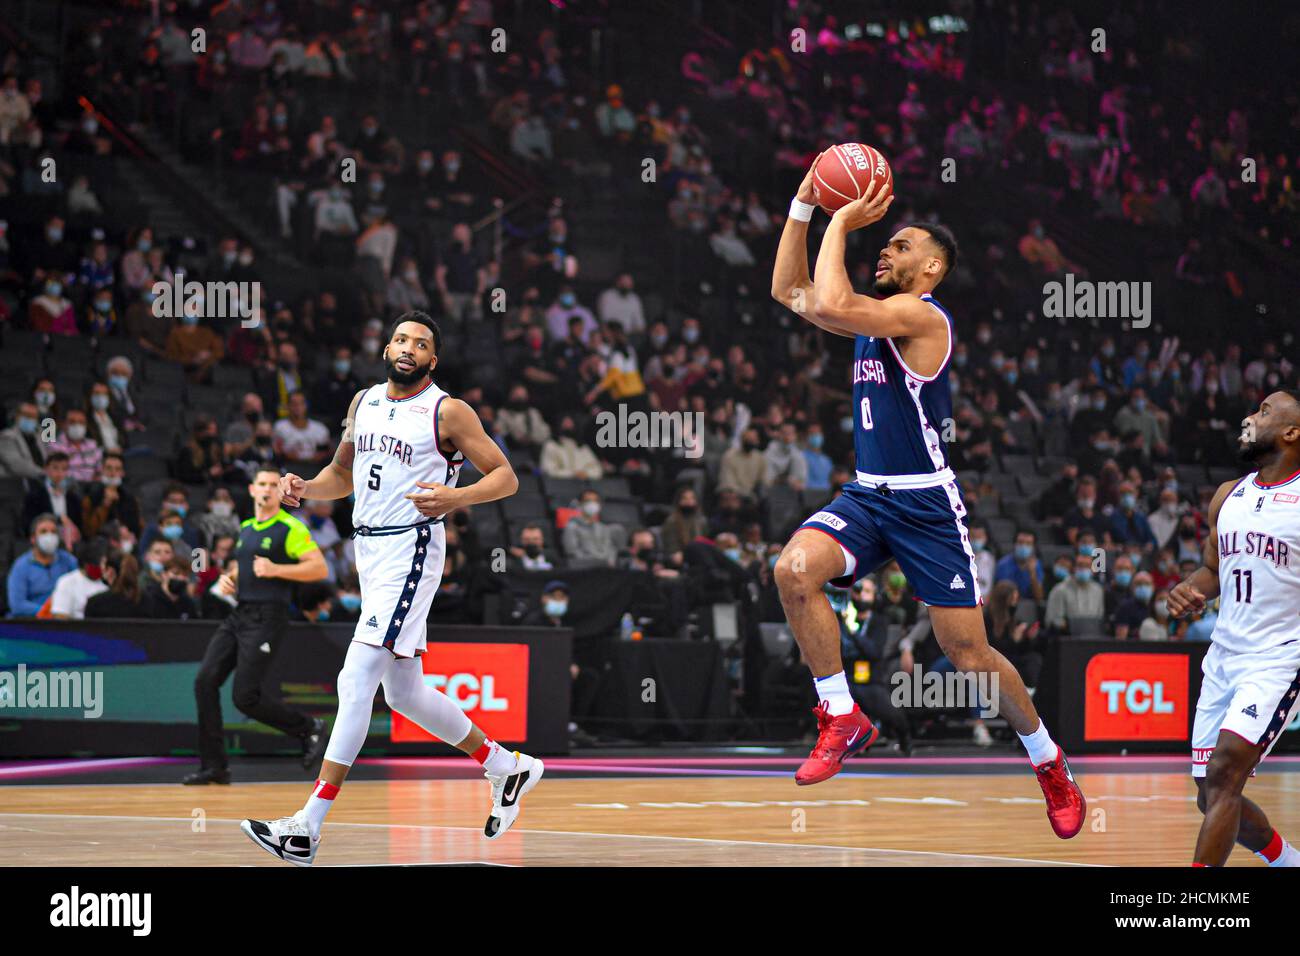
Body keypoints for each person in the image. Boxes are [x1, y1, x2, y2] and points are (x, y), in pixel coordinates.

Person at [769, 160, 1083, 838]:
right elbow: (789, 289)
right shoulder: (875, 316)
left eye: (902, 244)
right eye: (886, 241)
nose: (887, 248)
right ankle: (840, 714)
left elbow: (826, 301)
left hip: (926, 505)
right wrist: (804, 204)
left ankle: (1047, 759)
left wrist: (843, 218)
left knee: (966, 651)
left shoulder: (920, 316)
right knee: (793, 570)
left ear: (932, 269)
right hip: (868, 496)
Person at [241, 311, 538, 866]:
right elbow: (344, 474)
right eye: (401, 339)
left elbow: (506, 476)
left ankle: (307, 826)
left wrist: (457, 498)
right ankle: (505, 765)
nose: (408, 348)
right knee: (403, 693)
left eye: (420, 344)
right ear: (386, 349)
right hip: (369, 549)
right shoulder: (364, 401)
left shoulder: (448, 410)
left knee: (355, 680)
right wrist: (306, 486)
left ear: (433, 359)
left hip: (413, 545)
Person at [1168, 390, 1300, 866]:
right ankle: (1288, 861)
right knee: (1210, 794)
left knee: (1224, 776)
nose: (1249, 416)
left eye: (1264, 411)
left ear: (1291, 432)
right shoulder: (1228, 496)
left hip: (1278, 658)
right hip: (1223, 656)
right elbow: (1214, 571)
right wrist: (1190, 588)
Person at [183, 468, 331, 786]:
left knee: (244, 697)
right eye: (260, 484)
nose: (266, 489)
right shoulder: (247, 527)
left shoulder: (289, 527)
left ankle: (309, 727)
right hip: (240, 613)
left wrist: (276, 568)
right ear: (251, 490)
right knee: (204, 681)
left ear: (279, 491)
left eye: (271, 485)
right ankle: (214, 766)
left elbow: (319, 568)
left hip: (268, 616)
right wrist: (231, 577)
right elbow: (248, 562)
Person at [6, 514, 77, 617]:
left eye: (53, 532)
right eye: (43, 532)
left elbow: (81, 587)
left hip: (63, 621)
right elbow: (17, 605)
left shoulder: (68, 561)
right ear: (33, 538)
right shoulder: (21, 566)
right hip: (32, 624)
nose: (49, 536)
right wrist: (50, 612)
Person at [48, 539, 110, 619]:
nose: (101, 569)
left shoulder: (107, 582)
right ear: (85, 564)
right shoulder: (67, 582)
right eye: (97, 565)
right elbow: (60, 616)